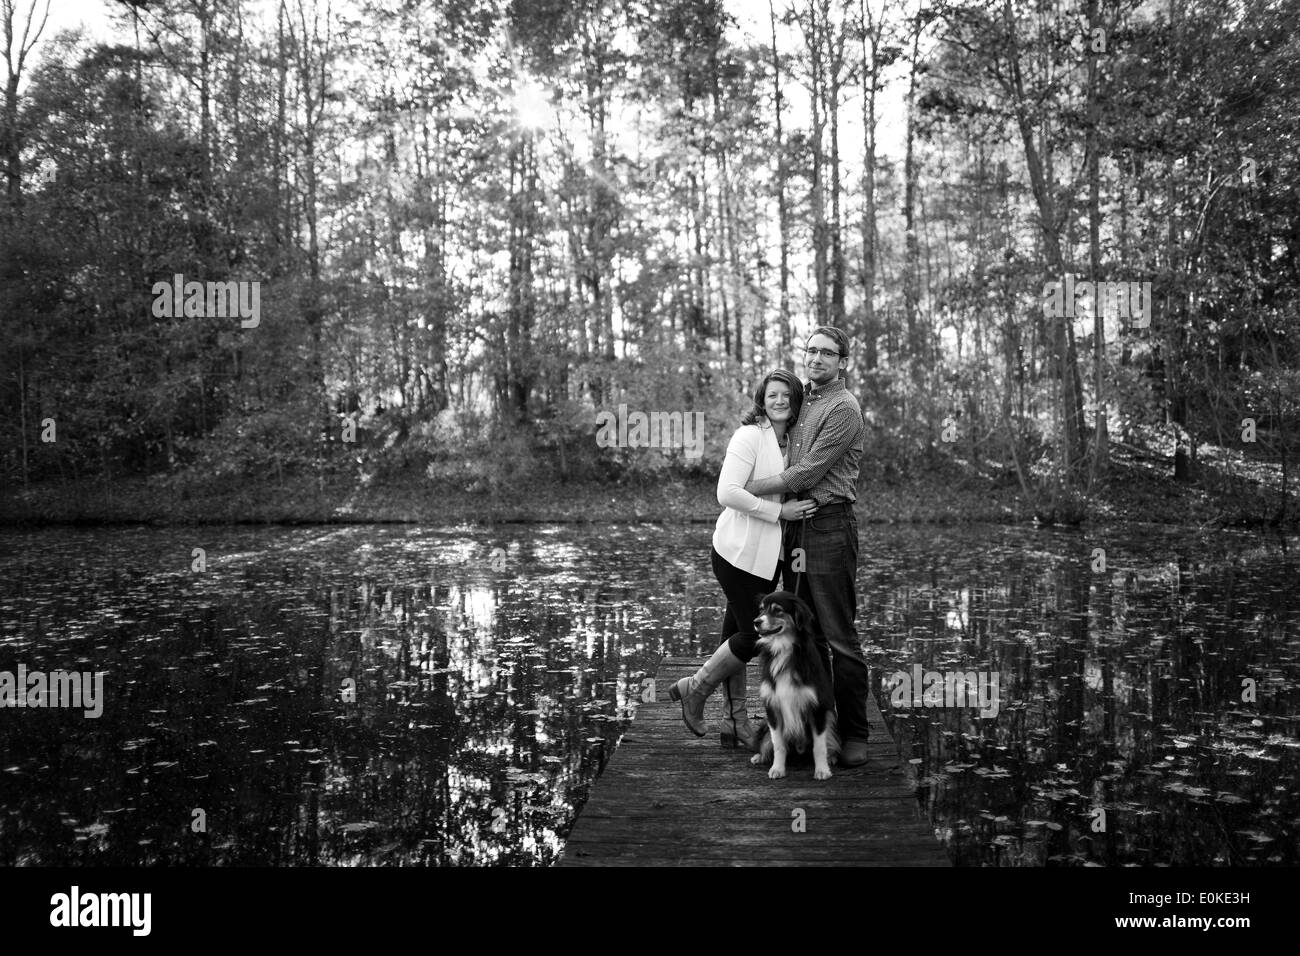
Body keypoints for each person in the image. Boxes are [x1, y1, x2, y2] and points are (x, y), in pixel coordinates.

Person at [669, 369, 818, 750]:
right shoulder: (750, 435)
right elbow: (727, 493)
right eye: (772, 395)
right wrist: (778, 513)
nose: (780, 400)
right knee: (755, 635)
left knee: (735, 632)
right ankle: (696, 687)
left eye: (787, 394)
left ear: (797, 400)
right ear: (761, 399)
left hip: (767, 561)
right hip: (737, 554)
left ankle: (733, 721)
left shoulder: (792, 443)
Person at [742, 326, 870, 767]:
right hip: (794, 526)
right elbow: (770, 434)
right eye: (811, 350)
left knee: (839, 636)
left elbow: (807, 472)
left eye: (827, 353)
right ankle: (801, 724)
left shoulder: (843, 407)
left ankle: (855, 734)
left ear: (842, 361)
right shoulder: (802, 400)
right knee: (795, 630)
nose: (816, 358)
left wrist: (746, 490)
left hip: (829, 527)